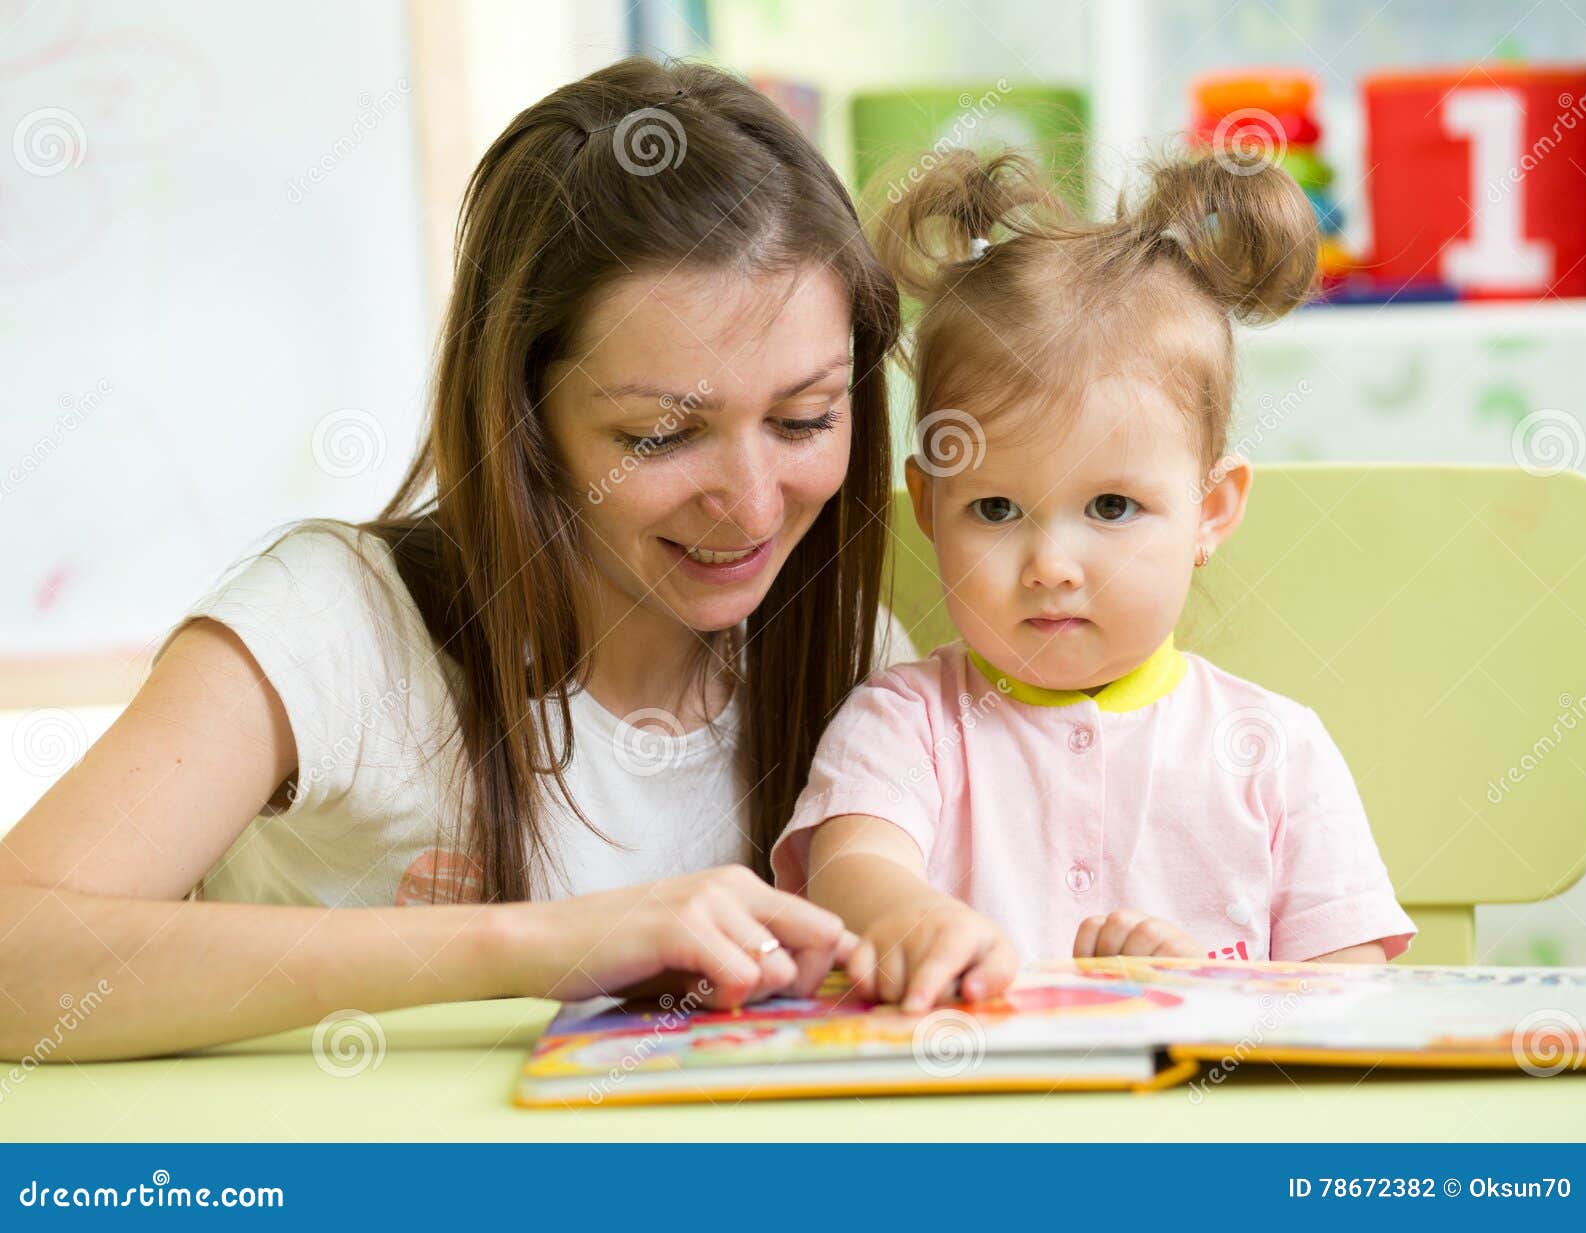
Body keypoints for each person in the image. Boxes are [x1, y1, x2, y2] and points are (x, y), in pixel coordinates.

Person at [0, 57, 915, 1061]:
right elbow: (17, 958)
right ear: (522, 420)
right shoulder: (334, 625)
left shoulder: (855, 653)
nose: (748, 504)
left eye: (803, 418)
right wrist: (525, 946)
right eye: (658, 436)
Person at [774, 147, 1416, 1013]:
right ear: (928, 505)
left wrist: (1213, 999)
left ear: (1212, 510)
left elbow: (1349, 990)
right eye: (996, 509)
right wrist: (913, 918)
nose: (1050, 566)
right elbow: (852, 865)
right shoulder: (906, 725)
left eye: (1112, 507)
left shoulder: (1277, 752)